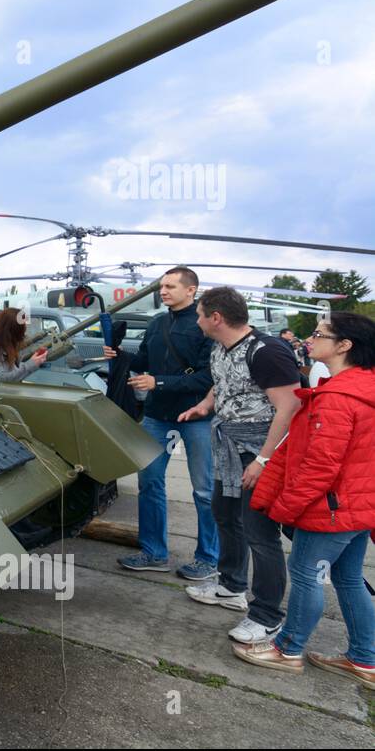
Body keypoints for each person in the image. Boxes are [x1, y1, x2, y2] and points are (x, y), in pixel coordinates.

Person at [231, 312, 375, 685]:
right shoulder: (363, 387)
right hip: (356, 508)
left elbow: (319, 466)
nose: (310, 340)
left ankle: (287, 649)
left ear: (344, 345)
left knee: (306, 575)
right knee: (347, 579)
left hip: (330, 509)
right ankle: (365, 658)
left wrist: (287, 508)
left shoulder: (338, 398)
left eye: (319, 334)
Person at [177, 286, 302, 646]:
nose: (197, 320)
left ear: (216, 318)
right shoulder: (221, 348)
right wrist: (204, 406)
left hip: (260, 452)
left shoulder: (267, 352)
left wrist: (263, 460)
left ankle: (266, 616)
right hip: (229, 448)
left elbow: (289, 408)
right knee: (224, 513)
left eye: (200, 314)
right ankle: (231, 585)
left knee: (259, 533)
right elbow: (222, 384)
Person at [102, 267, 219, 580]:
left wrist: (159, 383)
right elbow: (143, 360)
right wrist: (120, 355)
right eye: (162, 286)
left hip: (196, 418)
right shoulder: (157, 324)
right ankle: (154, 553)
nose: (163, 291)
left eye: (170, 286)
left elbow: (208, 377)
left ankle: (209, 559)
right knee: (149, 483)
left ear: (191, 290)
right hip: (157, 418)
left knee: (204, 491)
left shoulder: (206, 325)